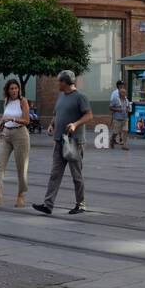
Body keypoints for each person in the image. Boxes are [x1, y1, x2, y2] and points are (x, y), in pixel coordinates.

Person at [32, 70, 92, 216]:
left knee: (76, 175)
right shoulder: (61, 96)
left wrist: (75, 124)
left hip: (73, 142)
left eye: (59, 81)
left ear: (65, 82)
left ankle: (80, 204)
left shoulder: (80, 97)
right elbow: (57, 114)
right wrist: (52, 124)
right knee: (55, 174)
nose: (57, 83)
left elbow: (89, 115)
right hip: (59, 140)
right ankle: (48, 205)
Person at [0, 80, 31, 207]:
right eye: (11, 88)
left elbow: (27, 120)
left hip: (20, 135)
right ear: (7, 90)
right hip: (6, 134)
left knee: (21, 167)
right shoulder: (6, 101)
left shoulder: (23, 101)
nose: (14, 91)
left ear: (19, 90)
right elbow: (4, 117)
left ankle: (21, 195)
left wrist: (12, 119)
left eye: (15, 88)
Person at [109, 81, 130, 150]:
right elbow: (110, 107)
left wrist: (128, 109)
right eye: (123, 93)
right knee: (116, 132)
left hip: (125, 118)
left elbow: (128, 107)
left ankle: (124, 145)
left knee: (125, 131)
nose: (124, 94)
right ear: (119, 94)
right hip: (117, 118)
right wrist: (117, 110)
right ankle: (112, 139)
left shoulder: (126, 100)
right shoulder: (115, 98)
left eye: (125, 93)